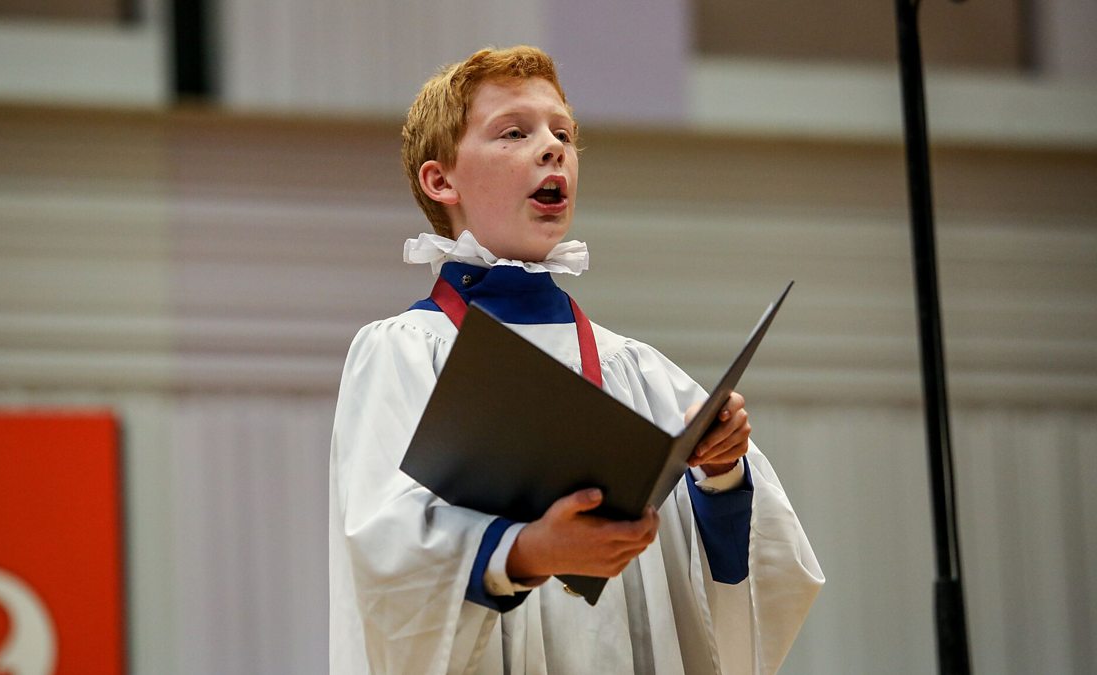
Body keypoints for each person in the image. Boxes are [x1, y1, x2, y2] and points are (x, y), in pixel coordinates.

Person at [329, 45, 822, 674]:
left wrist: (722, 473)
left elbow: (751, 589)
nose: (552, 147)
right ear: (441, 180)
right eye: (514, 132)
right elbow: (383, 551)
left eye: (562, 132)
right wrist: (528, 551)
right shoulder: (404, 352)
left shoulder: (636, 370)